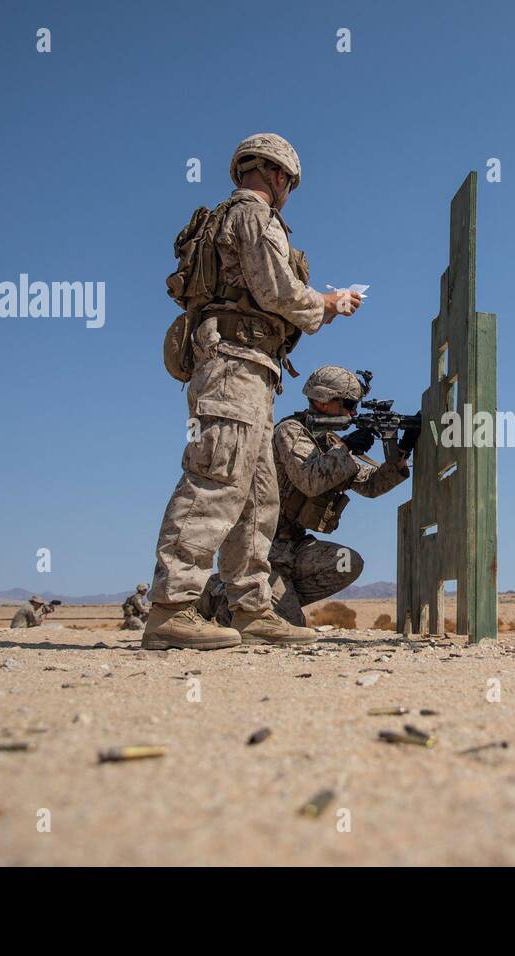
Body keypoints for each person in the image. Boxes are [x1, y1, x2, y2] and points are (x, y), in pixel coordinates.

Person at [145, 134, 362, 651]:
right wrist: (328, 303)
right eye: (288, 181)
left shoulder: (232, 218)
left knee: (257, 494)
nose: (288, 190)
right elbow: (277, 292)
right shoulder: (251, 216)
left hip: (255, 368)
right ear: (277, 175)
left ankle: (251, 606)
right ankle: (172, 608)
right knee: (217, 476)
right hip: (233, 365)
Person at [198, 366, 417, 629]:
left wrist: (401, 452)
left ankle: (270, 596)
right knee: (289, 628)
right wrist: (346, 448)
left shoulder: (329, 440)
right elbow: (310, 481)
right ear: (323, 401)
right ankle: (224, 591)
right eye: (348, 404)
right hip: (262, 548)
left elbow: (369, 485)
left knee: (348, 563)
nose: (353, 412)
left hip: (295, 548)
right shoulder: (290, 431)